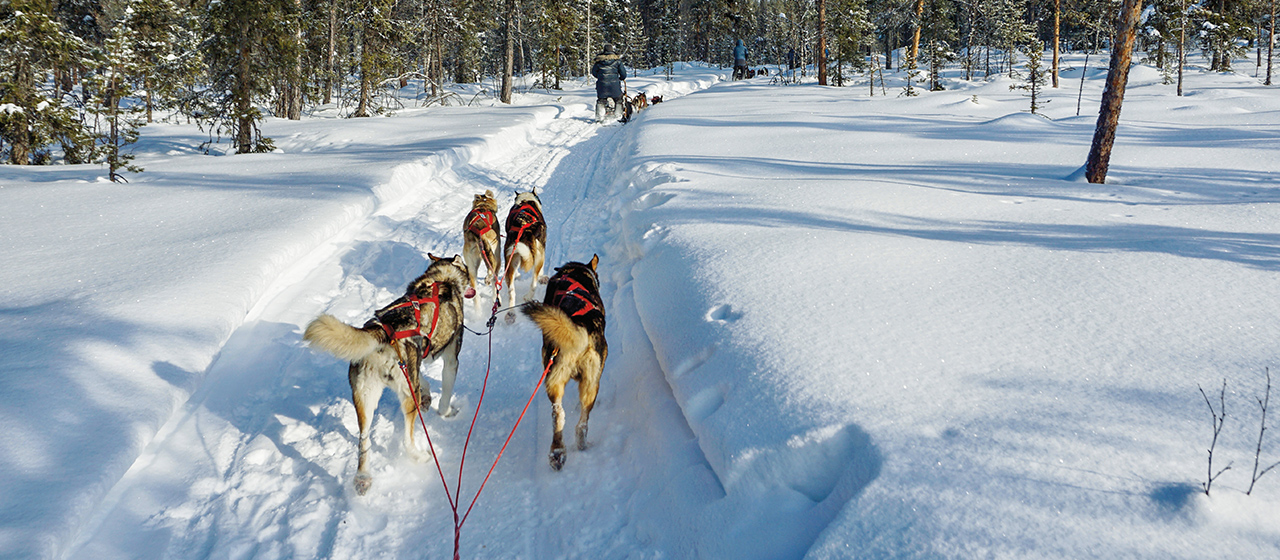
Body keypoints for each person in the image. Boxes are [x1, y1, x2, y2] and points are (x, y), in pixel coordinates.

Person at [590, 44, 626, 122]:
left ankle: (600, 117)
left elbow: (594, 73)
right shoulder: (617, 61)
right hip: (614, 85)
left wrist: (600, 77)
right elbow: (623, 74)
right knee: (618, 99)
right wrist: (621, 78)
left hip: (602, 85)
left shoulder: (599, 61)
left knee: (601, 100)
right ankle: (618, 116)